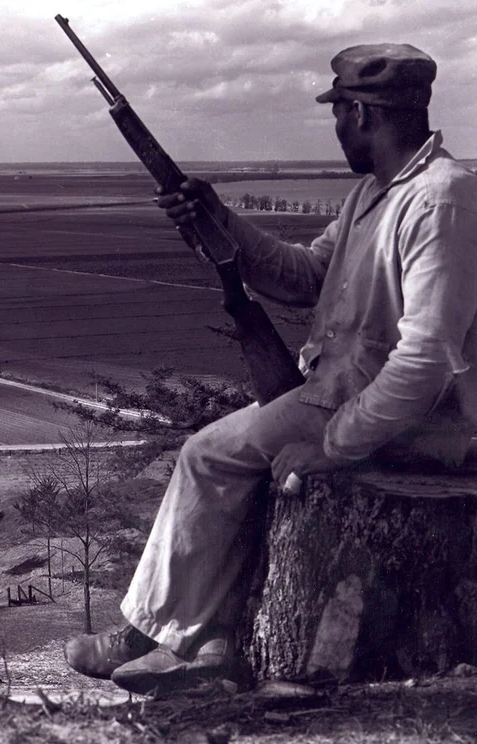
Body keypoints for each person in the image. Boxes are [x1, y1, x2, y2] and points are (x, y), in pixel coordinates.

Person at [64, 42, 477, 694]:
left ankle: (178, 640)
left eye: (338, 113)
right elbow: (303, 275)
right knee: (225, 459)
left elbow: (425, 361)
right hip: (352, 391)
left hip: (421, 418)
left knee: (210, 455)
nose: (336, 127)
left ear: (362, 113)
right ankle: (198, 639)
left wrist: (333, 445)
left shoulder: (440, 201)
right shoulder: (375, 195)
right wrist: (217, 219)